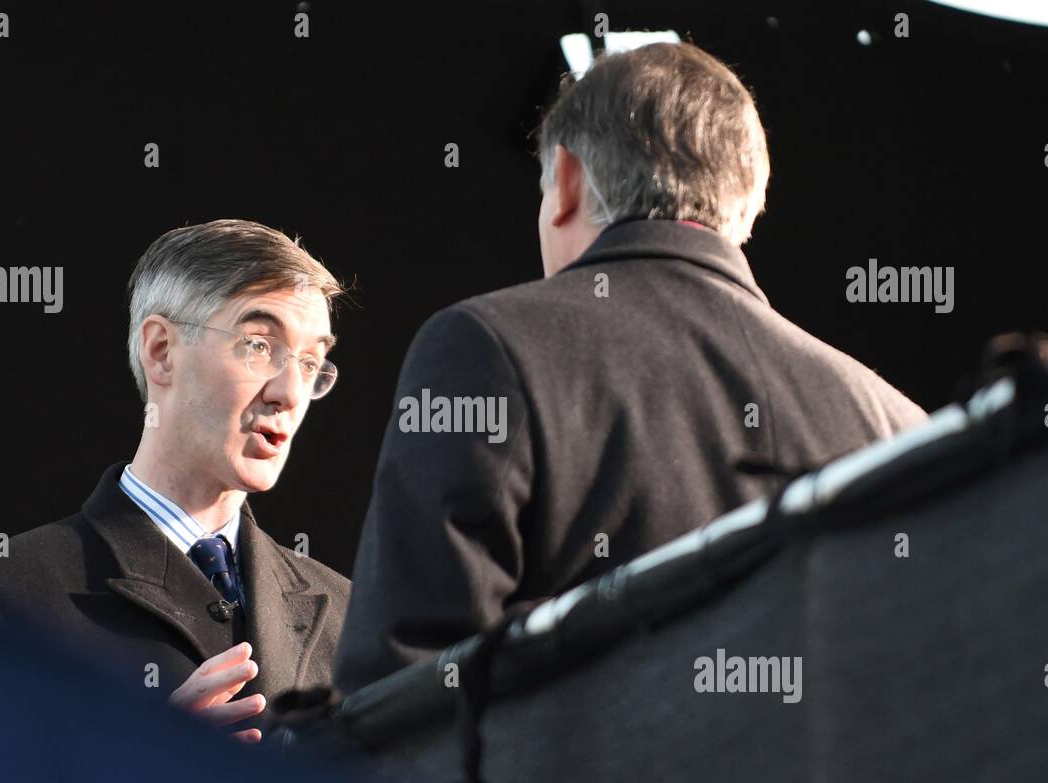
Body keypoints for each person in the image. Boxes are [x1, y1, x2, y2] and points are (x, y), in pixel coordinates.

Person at [333, 42, 928, 693]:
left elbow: (400, 699)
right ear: (748, 200)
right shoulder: (896, 421)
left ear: (564, 181)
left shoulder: (483, 349)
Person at [0, 219, 350, 741]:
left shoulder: (349, 619)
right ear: (161, 351)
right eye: (258, 345)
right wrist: (142, 772)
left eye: (312, 362)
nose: (290, 392)